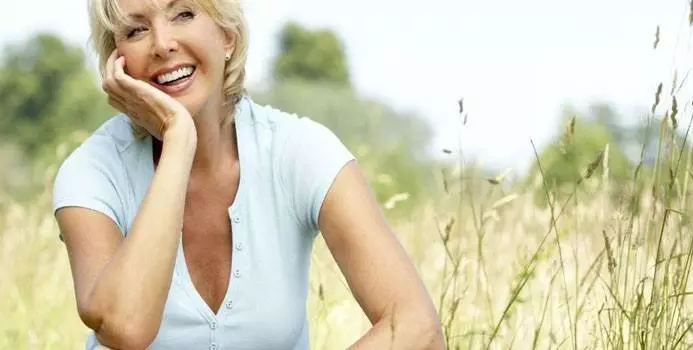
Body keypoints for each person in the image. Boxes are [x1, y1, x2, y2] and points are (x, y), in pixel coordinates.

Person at [52, 0, 444, 349]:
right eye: (136, 30)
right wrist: (179, 142)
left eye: (184, 13)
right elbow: (125, 329)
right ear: (115, 61)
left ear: (228, 35)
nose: (162, 44)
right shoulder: (92, 171)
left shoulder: (298, 151)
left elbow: (416, 328)